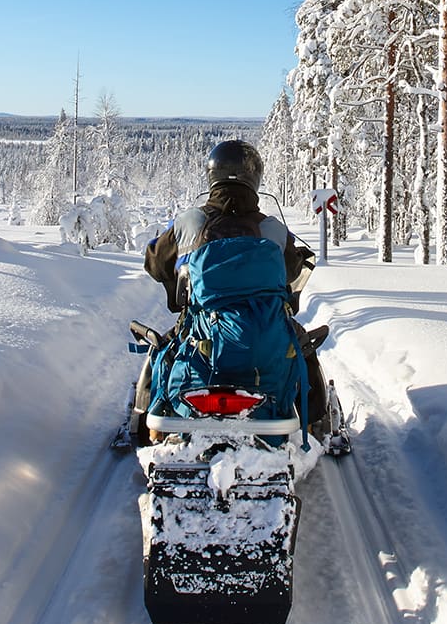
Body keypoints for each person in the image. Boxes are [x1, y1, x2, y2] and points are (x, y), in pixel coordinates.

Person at [142, 139, 337, 440]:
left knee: (163, 351)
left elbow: (155, 265)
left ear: (212, 175)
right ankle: (315, 423)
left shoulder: (190, 222)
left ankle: (146, 425)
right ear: (254, 178)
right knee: (304, 352)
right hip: (264, 330)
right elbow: (291, 271)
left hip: (204, 332)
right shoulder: (273, 229)